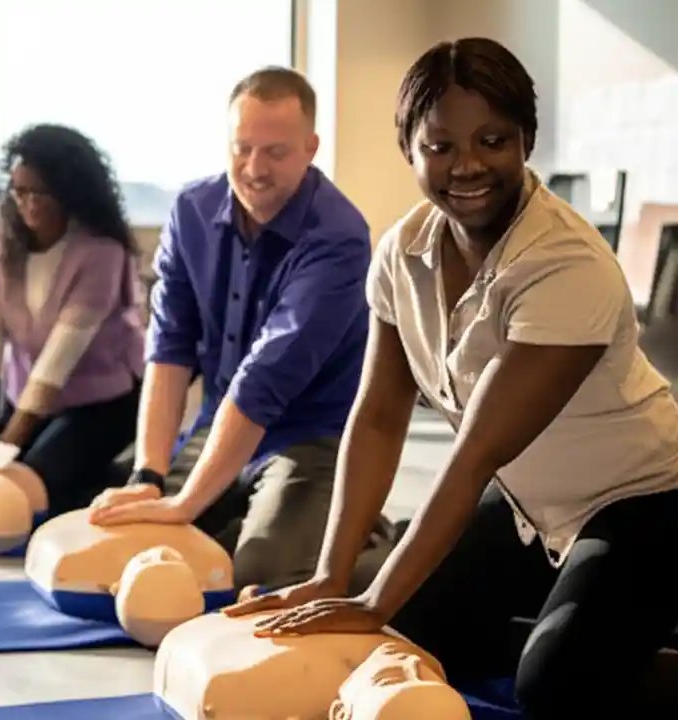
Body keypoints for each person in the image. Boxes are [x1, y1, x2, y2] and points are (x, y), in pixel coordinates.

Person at [225, 38, 678, 718]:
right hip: (529, 504)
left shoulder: (565, 264)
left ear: (525, 139)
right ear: (410, 148)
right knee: (411, 629)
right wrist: (330, 575)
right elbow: (378, 416)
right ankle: (588, 623)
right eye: (439, 146)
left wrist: (372, 599)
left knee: (556, 684)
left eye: (492, 140)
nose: (466, 165)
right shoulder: (402, 252)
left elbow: (474, 457)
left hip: (646, 498)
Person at [88, 66, 383, 593]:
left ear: (311, 147)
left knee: (262, 576)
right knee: (137, 548)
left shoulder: (340, 237)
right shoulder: (191, 210)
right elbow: (169, 348)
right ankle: (252, 521)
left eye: (275, 152)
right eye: (242, 148)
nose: (254, 168)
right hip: (221, 422)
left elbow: (265, 381)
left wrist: (184, 504)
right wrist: (149, 478)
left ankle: (368, 534)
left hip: (313, 436)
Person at [0, 124, 145, 516]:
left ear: (71, 193)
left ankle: (132, 490)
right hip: (26, 401)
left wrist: (7, 446)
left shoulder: (102, 251)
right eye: (20, 192)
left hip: (104, 401)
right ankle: (106, 478)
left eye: (43, 193)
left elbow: (55, 364)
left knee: (27, 488)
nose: (30, 204)